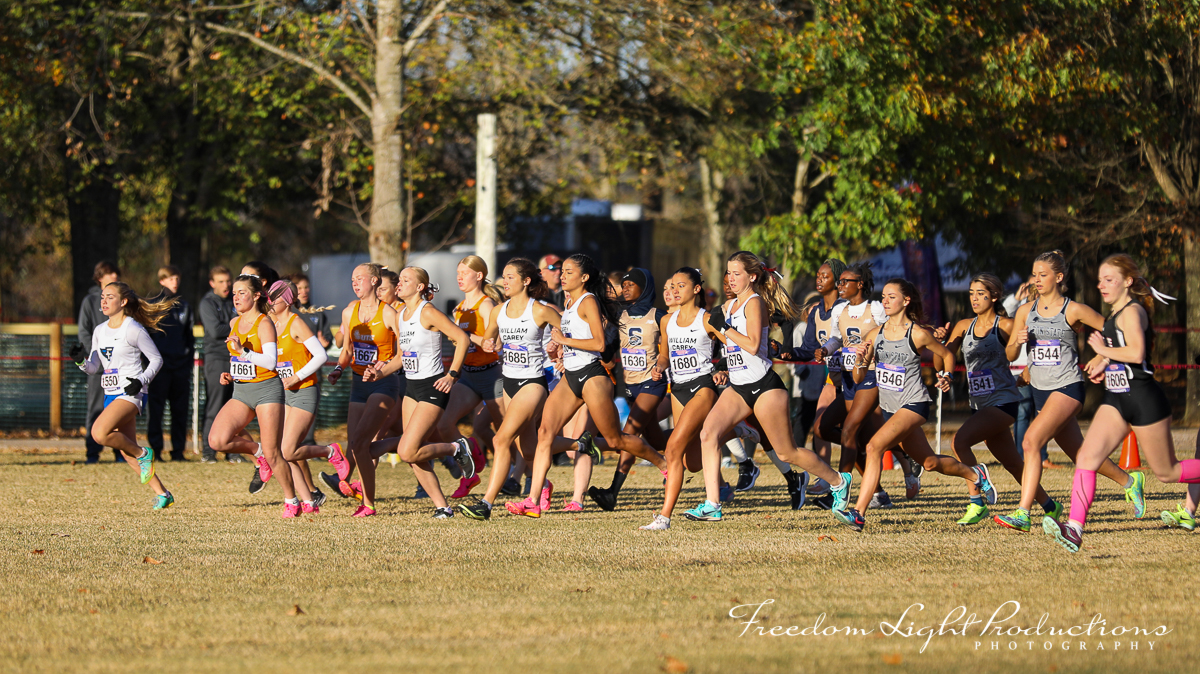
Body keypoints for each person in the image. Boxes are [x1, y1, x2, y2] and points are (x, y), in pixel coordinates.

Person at [690, 251, 853, 523]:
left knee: (787, 452)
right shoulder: (728, 307)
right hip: (739, 387)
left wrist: (725, 329)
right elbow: (729, 342)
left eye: (737, 273)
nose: (731, 278)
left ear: (753, 277)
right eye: (729, 273)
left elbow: (754, 345)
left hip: (765, 386)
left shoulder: (755, 303)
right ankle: (712, 505)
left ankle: (838, 480)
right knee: (708, 433)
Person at [1044, 255, 1192, 551]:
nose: (1101, 285)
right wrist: (1104, 362)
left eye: (1109, 279)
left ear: (1127, 282)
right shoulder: (1113, 315)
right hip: (1117, 400)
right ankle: (1074, 528)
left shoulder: (1132, 311)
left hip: (1144, 400)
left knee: (1167, 473)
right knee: (1087, 458)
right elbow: (1121, 353)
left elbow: (1136, 353)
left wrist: (1103, 350)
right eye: (1100, 279)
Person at [995, 250, 1145, 532]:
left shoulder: (1073, 309)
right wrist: (1017, 341)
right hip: (1040, 390)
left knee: (1030, 441)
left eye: (1043, 275)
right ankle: (1130, 481)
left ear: (1059, 277)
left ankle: (1023, 513)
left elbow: (1113, 330)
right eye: (1034, 275)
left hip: (1068, 387)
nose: (1037, 280)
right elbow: (1010, 354)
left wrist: (1102, 357)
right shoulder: (1025, 312)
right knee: (1080, 454)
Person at [835, 278, 996, 532]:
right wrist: (860, 360)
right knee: (929, 462)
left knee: (873, 447)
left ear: (906, 301)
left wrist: (947, 376)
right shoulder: (875, 334)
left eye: (891, 297)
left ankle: (858, 513)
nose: (885, 301)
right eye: (883, 297)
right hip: (891, 409)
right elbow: (857, 378)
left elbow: (947, 354)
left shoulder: (917, 334)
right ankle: (976, 475)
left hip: (914, 404)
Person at [510, 254, 663, 518]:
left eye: (569, 272)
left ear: (584, 277)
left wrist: (565, 341)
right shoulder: (568, 303)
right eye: (562, 272)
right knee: (545, 433)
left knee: (615, 439)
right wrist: (558, 349)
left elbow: (599, 344)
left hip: (593, 376)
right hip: (571, 375)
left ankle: (664, 463)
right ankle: (533, 501)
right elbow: (574, 339)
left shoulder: (588, 301)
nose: (563, 276)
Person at [348, 266, 475, 518]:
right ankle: (443, 507)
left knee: (407, 451)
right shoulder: (401, 315)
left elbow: (462, 339)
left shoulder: (427, 311)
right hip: (412, 387)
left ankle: (456, 449)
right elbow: (400, 357)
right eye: (400, 279)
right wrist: (380, 373)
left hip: (433, 386)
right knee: (414, 454)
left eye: (406, 280)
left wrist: (452, 375)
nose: (399, 283)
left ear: (419, 287)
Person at [460, 258, 577, 520]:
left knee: (500, 439)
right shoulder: (498, 311)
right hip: (509, 383)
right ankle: (578, 448)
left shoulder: (541, 310)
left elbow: (570, 330)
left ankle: (486, 504)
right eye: (503, 276)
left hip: (532, 384)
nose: (504, 282)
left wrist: (561, 349)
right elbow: (490, 339)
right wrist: (490, 344)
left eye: (510, 277)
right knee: (529, 450)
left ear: (526, 281)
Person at [937, 273, 1056, 525]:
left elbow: (1039, 347)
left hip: (1003, 401)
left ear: (994, 296)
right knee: (1013, 464)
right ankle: (1050, 505)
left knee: (959, 442)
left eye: (980, 294)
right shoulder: (963, 326)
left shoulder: (1007, 325)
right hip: (978, 403)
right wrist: (939, 347)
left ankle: (976, 502)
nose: (974, 299)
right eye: (971, 293)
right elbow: (943, 360)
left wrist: (1028, 371)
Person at [70, 281, 176, 508]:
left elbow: (156, 360)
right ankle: (163, 494)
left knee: (99, 433)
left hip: (131, 393)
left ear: (123, 302)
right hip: (110, 394)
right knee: (127, 451)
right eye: (102, 297)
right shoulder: (99, 331)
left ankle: (144, 453)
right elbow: (94, 368)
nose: (104, 301)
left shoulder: (133, 329)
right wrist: (80, 361)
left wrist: (141, 381)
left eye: (110, 297)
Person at [207, 274, 300, 517]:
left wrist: (243, 351)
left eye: (242, 293)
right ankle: (259, 454)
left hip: (266, 391)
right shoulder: (234, 322)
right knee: (217, 440)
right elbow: (240, 359)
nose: (236, 298)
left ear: (257, 295)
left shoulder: (264, 323)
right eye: (234, 293)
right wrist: (231, 373)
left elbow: (270, 361)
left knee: (275, 453)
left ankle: (291, 500)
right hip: (241, 391)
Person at [640, 268, 725, 530]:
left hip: (703, 386)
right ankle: (733, 430)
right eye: (672, 286)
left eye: (681, 285)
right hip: (677, 389)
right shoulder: (667, 320)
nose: (674, 290)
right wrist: (659, 366)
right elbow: (665, 354)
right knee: (692, 462)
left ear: (696, 289)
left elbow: (732, 346)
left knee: (673, 448)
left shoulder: (707, 319)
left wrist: (722, 368)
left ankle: (664, 518)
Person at [586, 267, 670, 512]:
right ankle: (693, 438)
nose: (625, 289)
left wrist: (661, 365)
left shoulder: (659, 316)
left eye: (630, 284)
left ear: (644, 287)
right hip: (630, 385)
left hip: (652, 383)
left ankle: (612, 493)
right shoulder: (619, 316)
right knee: (654, 439)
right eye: (623, 285)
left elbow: (668, 350)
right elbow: (608, 349)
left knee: (628, 433)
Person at [257, 280, 344, 513]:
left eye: (273, 298)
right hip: (282, 393)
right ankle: (309, 502)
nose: (269, 302)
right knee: (284, 452)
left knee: (288, 450)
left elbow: (321, 355)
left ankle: (330, 451)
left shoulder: (296, 323)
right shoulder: (270, 323)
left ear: (287, 301)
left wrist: (297, 377)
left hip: (304, 390)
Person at [321, 263, 403, 508]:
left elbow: (403, 353)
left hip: (383, 383)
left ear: (375, 280)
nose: (355, 283)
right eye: (352, 279)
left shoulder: (389, 313)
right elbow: (347, 350)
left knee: (360, 442)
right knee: (355, 444)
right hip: (358, 383)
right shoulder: (349, 312)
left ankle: (367, 502)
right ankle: (420, 446)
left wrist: (383, 367)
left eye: (360, 278)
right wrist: (338, 369)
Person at [435, 255, 503, 499]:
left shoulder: (486, 305)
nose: (459, 277)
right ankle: (470, 463)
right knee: (444, 425)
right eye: (458, 273)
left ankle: (530, 478)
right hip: (469, 376)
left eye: (465, 273)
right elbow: (461, 345)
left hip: (492, 375)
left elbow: (496, 344)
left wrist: (464, 336)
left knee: (506, 434)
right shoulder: (459, 309)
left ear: (479, 275)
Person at [1002, 275, 1053, 468]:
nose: (1036, 285)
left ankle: (1042, 456)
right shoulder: (1021, 309)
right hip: (1019, 369)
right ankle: (1021, 456)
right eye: (1033, 282)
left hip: (1043, 370)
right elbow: (1004, 314)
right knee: (1022, 413)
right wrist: (1017, 297)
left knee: (1043, 414)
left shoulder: (1050, 309)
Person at [147, 265, 194, 462]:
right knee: (156, 411)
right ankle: (156, 451)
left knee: (180, 411)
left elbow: (189, 337)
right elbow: (147, 337)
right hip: (160, 368)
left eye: (177, 278)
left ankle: (178, 451)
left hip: (180, 368)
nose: (175, 282)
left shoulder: (184, 306)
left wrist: (187, 362)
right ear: (162, 281)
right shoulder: (152, 305)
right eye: (170, 278)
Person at [78, 260, 122, 464]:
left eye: (115, 273)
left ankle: (120, 452)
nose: (114, 276)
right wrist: (97, 356)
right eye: (109, 273)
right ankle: (93, 453)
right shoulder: (90, 301)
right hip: (99, 368)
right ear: (99, 278)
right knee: (96, 409)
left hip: (120, 368)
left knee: (119, 410)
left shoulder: (123, 300)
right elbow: (84, 332)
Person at [198, 265, 238, 463]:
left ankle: (233, 450)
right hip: (217, 359)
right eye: (221, 281)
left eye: (228, 281)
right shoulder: (207, 303)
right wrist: (236, 325)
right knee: (215, 405)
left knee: (235, 406)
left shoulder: (234, 301)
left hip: (236, 359)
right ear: (212, 283)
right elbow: (215, 331)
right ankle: (208, 451)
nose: (226, 285)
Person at [292, 272, 333, 447]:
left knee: (309, 407)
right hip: (291, 368)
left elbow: (327, 338)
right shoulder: (289, 313)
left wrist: (325, 343)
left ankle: (308, 442)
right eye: (299, 288)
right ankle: (292, 443)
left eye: (306, 287)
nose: (304, 291)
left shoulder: (318, 313)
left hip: (312, 369)